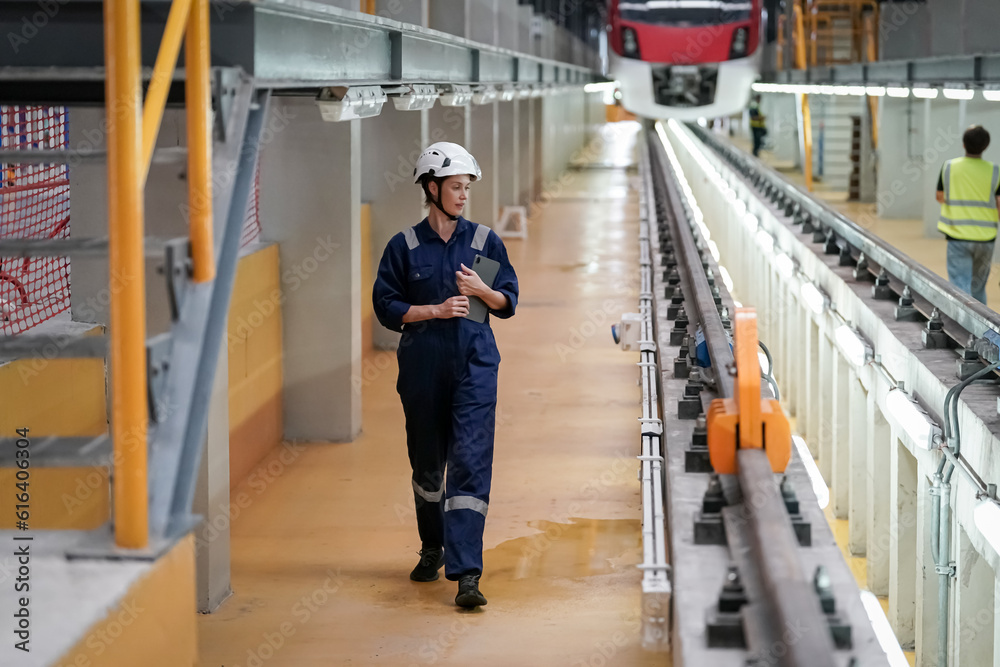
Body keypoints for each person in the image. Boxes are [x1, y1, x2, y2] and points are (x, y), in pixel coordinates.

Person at [372, 142, 518, 608]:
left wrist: (482, 290)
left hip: (474, 363)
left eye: (466, 187)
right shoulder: (404, 246)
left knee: (471, 464)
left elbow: (507, 301)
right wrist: (433, 309)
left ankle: (467, 573)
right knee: (428, 467)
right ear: (431, 188)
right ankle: (432, 546)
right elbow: (385, 305)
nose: (463, 195)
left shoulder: (483, 242)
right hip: (422, 366)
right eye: (456, 187)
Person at [936, 125, 1000, 304]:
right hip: (986, 239)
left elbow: (939, 196)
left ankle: (962, 329)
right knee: (978, 287)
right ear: (986, 146)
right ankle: (981, 329)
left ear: (963, 144)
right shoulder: (995, 170)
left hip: (958, 237)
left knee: (960, 286)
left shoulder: (949, 167)